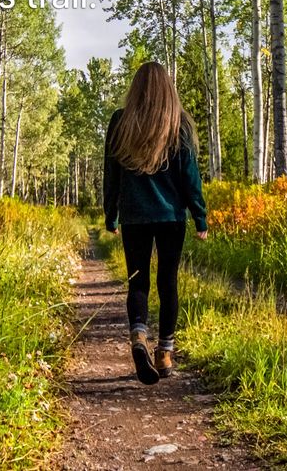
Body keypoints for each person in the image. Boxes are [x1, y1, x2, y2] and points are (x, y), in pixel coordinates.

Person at [103, 62, 207, 386]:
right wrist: (200, 216)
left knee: (138, 282)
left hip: (134, 216)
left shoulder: (120, 121)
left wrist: (111, 214)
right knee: (168, 282)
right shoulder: (179, 123)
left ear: (136, 88)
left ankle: (138, 336)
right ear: (168, 88)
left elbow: (111, 174)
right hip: (171, 217)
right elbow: (190, 177)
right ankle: (164, 353)